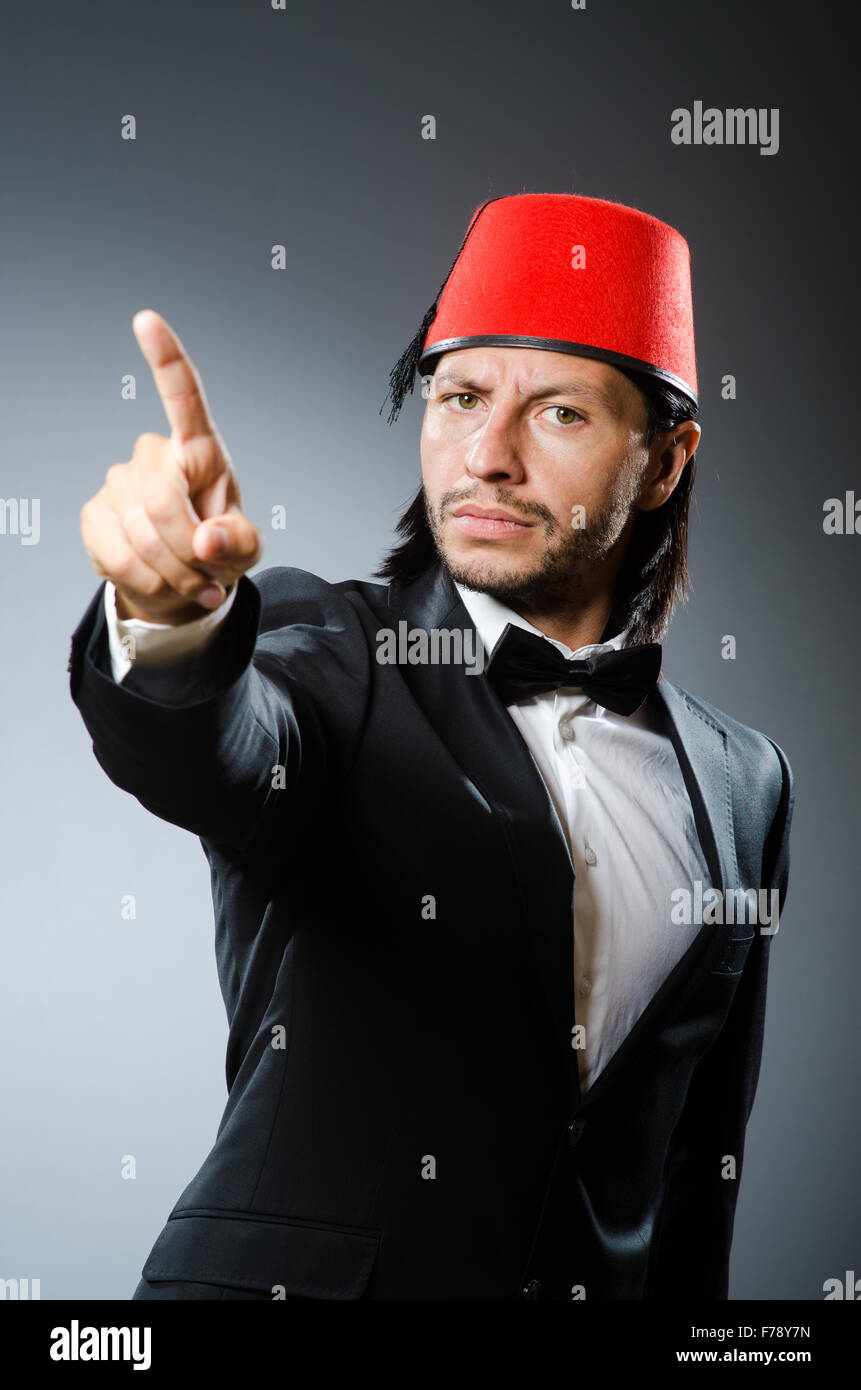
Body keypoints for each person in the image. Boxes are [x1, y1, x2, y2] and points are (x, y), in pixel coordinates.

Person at [69, 192, 794, 1301]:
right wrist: (170, 622)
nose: (487, 455)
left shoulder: (748, 782)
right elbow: (218, 743)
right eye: (459, 397)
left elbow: (698, 1169)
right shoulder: (331, 651)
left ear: (664, 461)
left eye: (558, 414)